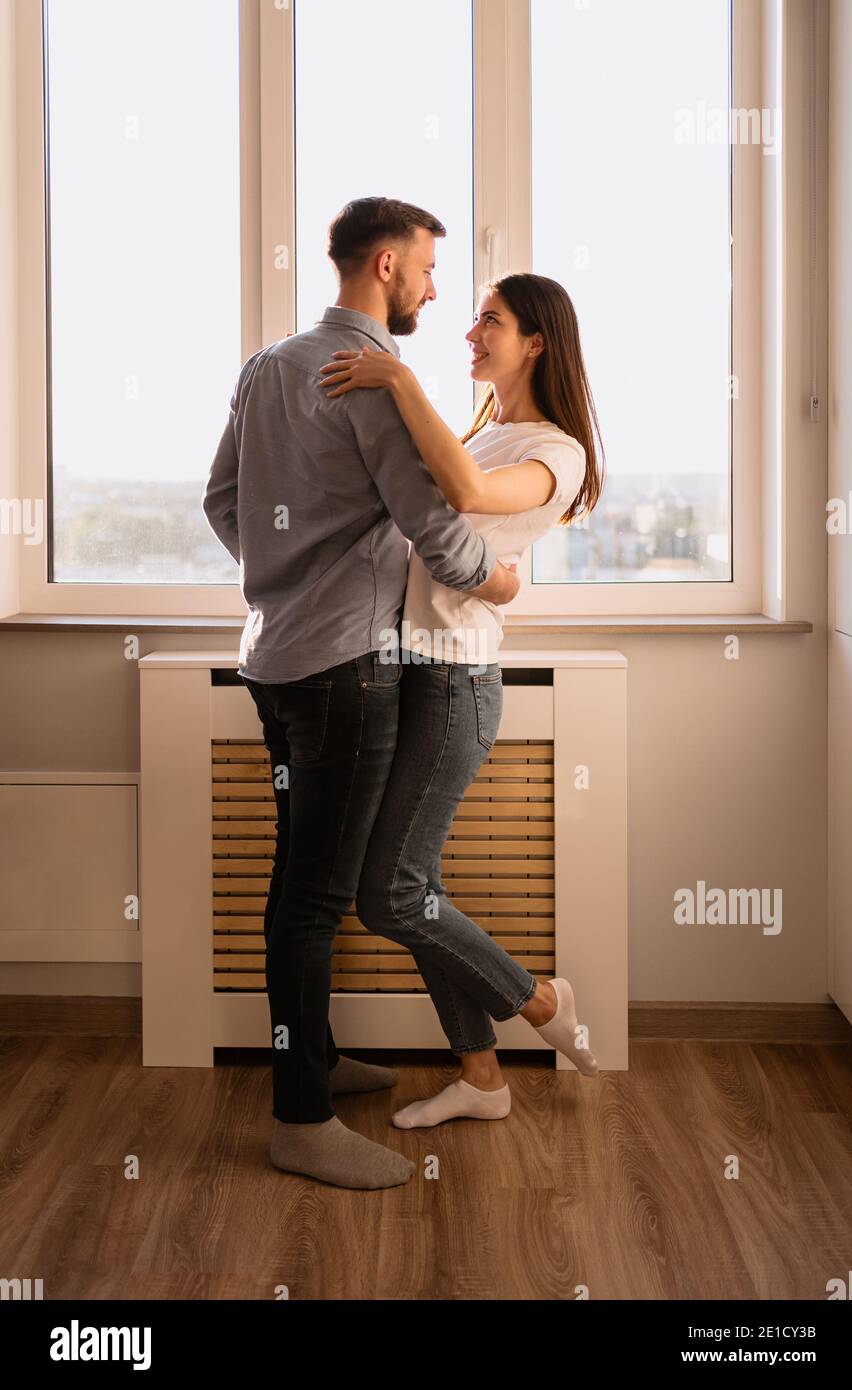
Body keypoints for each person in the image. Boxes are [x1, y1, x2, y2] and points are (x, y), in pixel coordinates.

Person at [202, 197, 520, 1190]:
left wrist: (285, 571)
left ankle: (317, 1057)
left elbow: (220, 499)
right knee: (313, 898)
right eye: (427, 268)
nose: (433, 288)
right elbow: (434, 524)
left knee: (302, 886)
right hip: (346, 670)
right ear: (383, 264)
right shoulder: (373, 379)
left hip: (274, 659)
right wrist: (502, 581)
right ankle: (299, 1117)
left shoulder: (266, 368)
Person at [317, 270, 605, 1130]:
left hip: (454, 684)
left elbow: (473, 505)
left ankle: (540, 1000)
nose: (471, 331)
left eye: (491, 319)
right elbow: (438, 527)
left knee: (391, 895)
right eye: (475, 316)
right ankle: (482, 1080)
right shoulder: (487, 429)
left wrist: (399, 378)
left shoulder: (555, 451)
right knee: (419, 884)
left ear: (537, 341)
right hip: (412, 669)